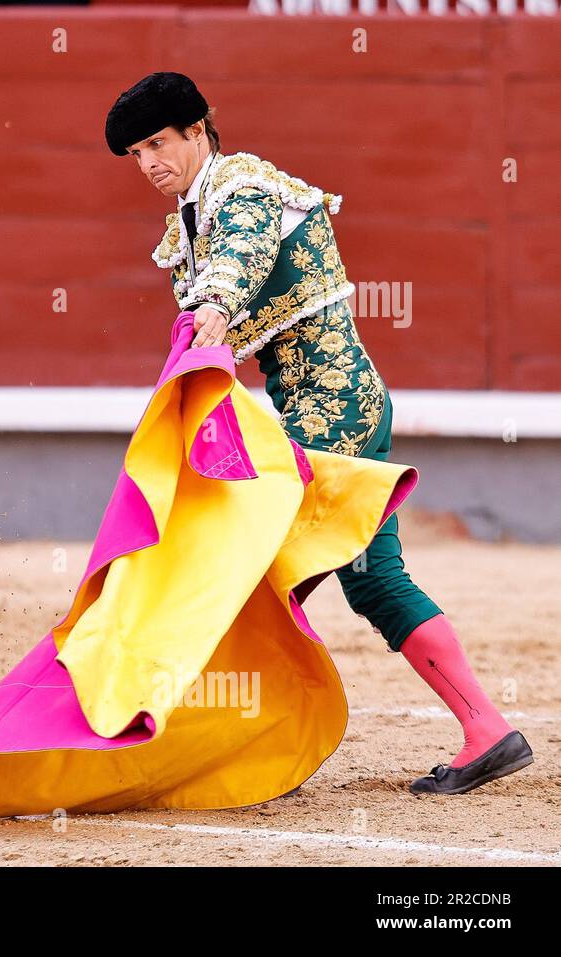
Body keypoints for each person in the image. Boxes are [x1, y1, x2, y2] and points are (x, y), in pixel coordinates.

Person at [103, 71, 532, 795]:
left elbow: (242, 257)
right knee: (370, 579)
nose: (148, 162)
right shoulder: (193, 212)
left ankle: (257, 744)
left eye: (158, 142)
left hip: (332, 407)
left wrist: (213, 305)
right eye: (136, 152)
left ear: (198, 130)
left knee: (263, 576)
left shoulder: (239, 186)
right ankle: (486, 729)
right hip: (330, 404)